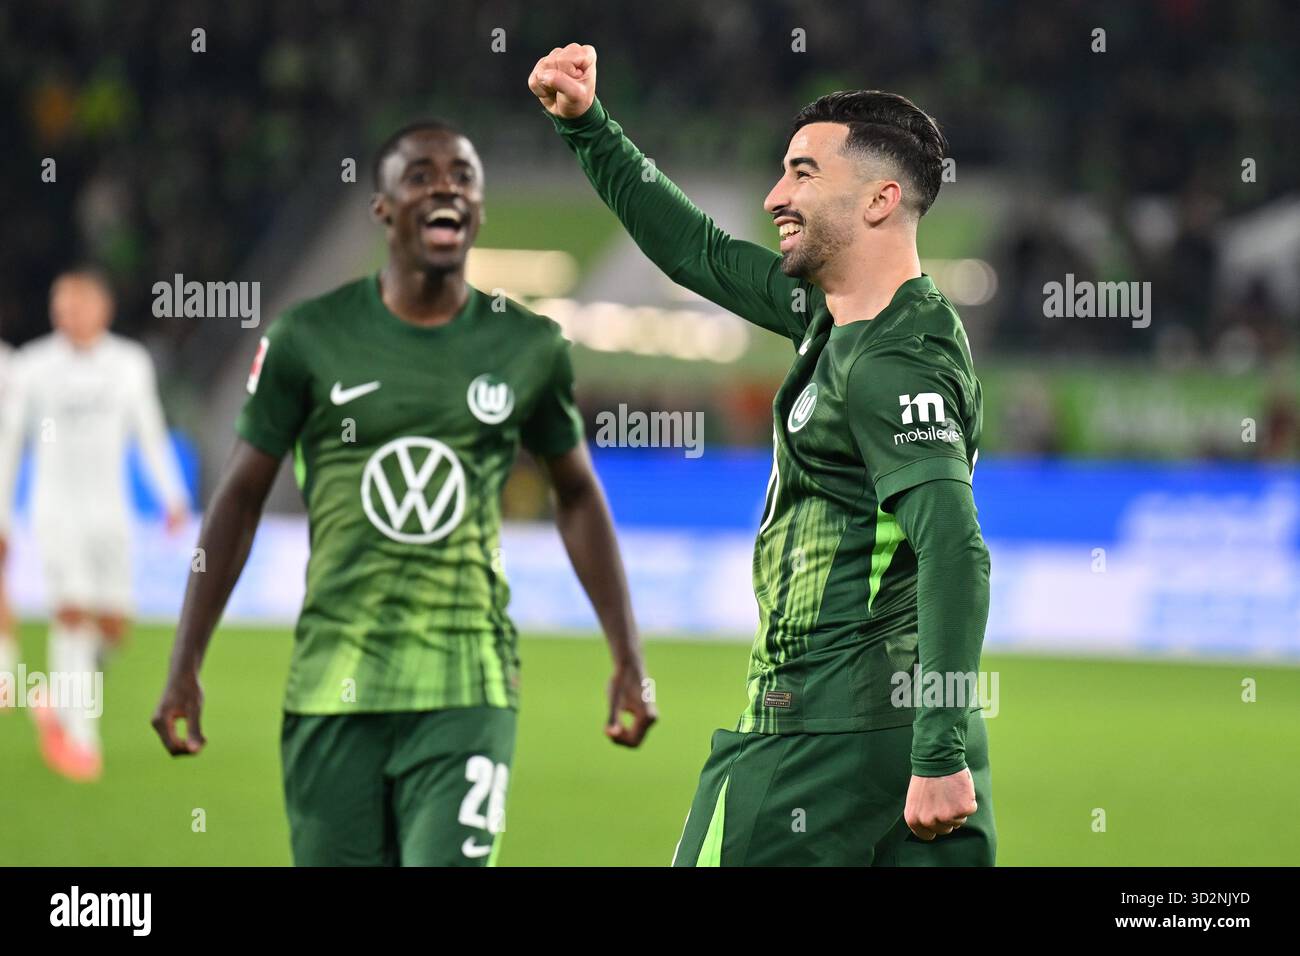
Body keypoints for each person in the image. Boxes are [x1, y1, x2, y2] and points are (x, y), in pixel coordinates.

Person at [531, 43, 994, 866]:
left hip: (818, 735)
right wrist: (590, 127)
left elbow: (954, 545)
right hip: (906, 737)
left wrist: (937, 754)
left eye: (804, 174)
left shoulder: (890, 363)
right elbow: (696, 251)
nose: (777, 195)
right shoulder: (846, 317)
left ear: (882, 200)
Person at [152, 119, 656, 866]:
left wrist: (626, 652)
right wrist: (185, 661)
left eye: (463, 175)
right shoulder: (307, 338)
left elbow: (576, 494)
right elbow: (239, 498)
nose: (445, 186)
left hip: (467, 682)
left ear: (479, 210)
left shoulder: (527, 347)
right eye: (420, 175)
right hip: (332, 686)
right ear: (383, 207)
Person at [0, 269, 191, 780]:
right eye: (60, 307)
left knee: (112, 626)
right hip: (55, 509)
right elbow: (10, 444)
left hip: (111, 512)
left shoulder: (128, 364)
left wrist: (172, 495)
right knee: (70, 613)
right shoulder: (32, 366)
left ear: (101, 310)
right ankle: (81, 738)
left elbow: (148, 429)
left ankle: (56, 693)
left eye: (77, 306)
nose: (68, 316)